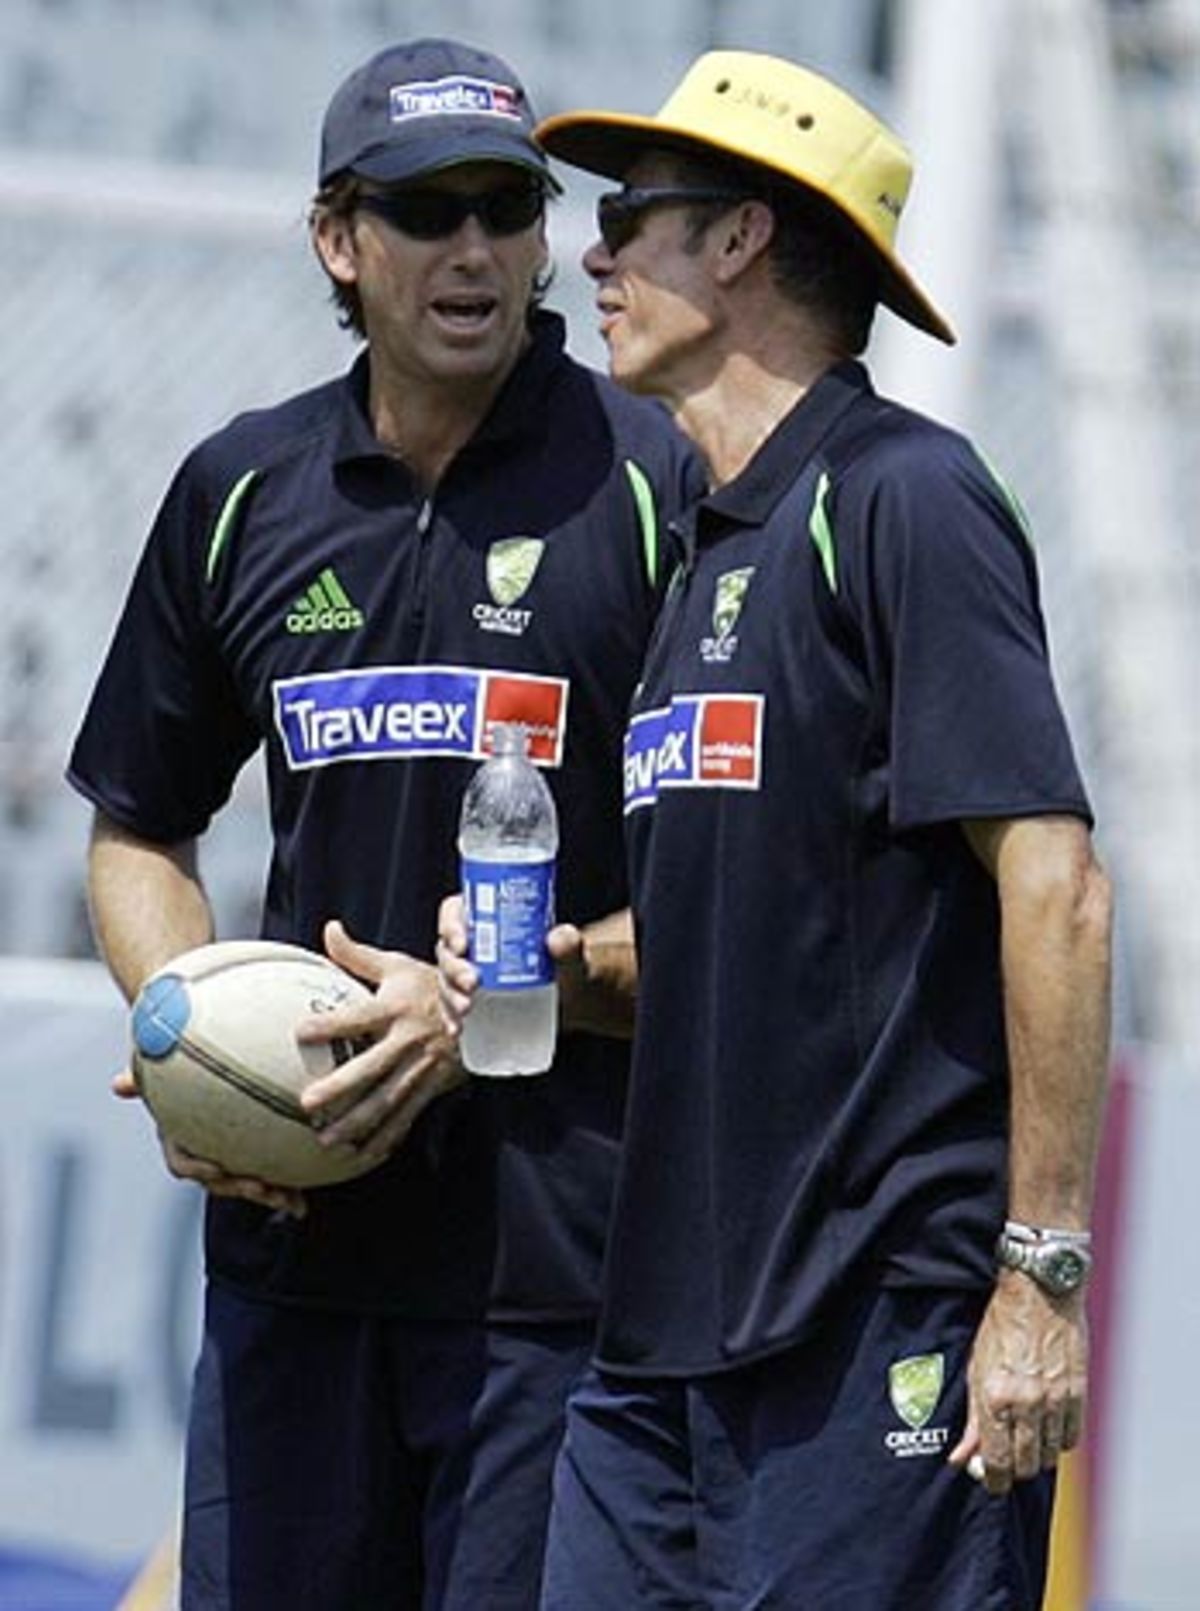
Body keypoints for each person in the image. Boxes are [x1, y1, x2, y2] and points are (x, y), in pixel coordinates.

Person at [439, 49, 1114, 1608]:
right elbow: (736, 939)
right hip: (658, 1350)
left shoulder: (901, 498)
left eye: (636, 221)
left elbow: (1058, 889)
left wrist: (1042, 1278)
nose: (592, 258)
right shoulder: (701, 553)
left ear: (741, 241)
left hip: (875, 1330)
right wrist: (556, 963)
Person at [67, 37, 701, 1611]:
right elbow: (138, 828)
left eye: (506, 206)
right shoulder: (241, 490)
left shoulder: (657, 480)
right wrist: (182, 1038)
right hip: (297, 1258)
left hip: (558, 1281)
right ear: (338, 242)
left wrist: (510, 992)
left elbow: (751, 882)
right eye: (426, 212)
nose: (475, 249)